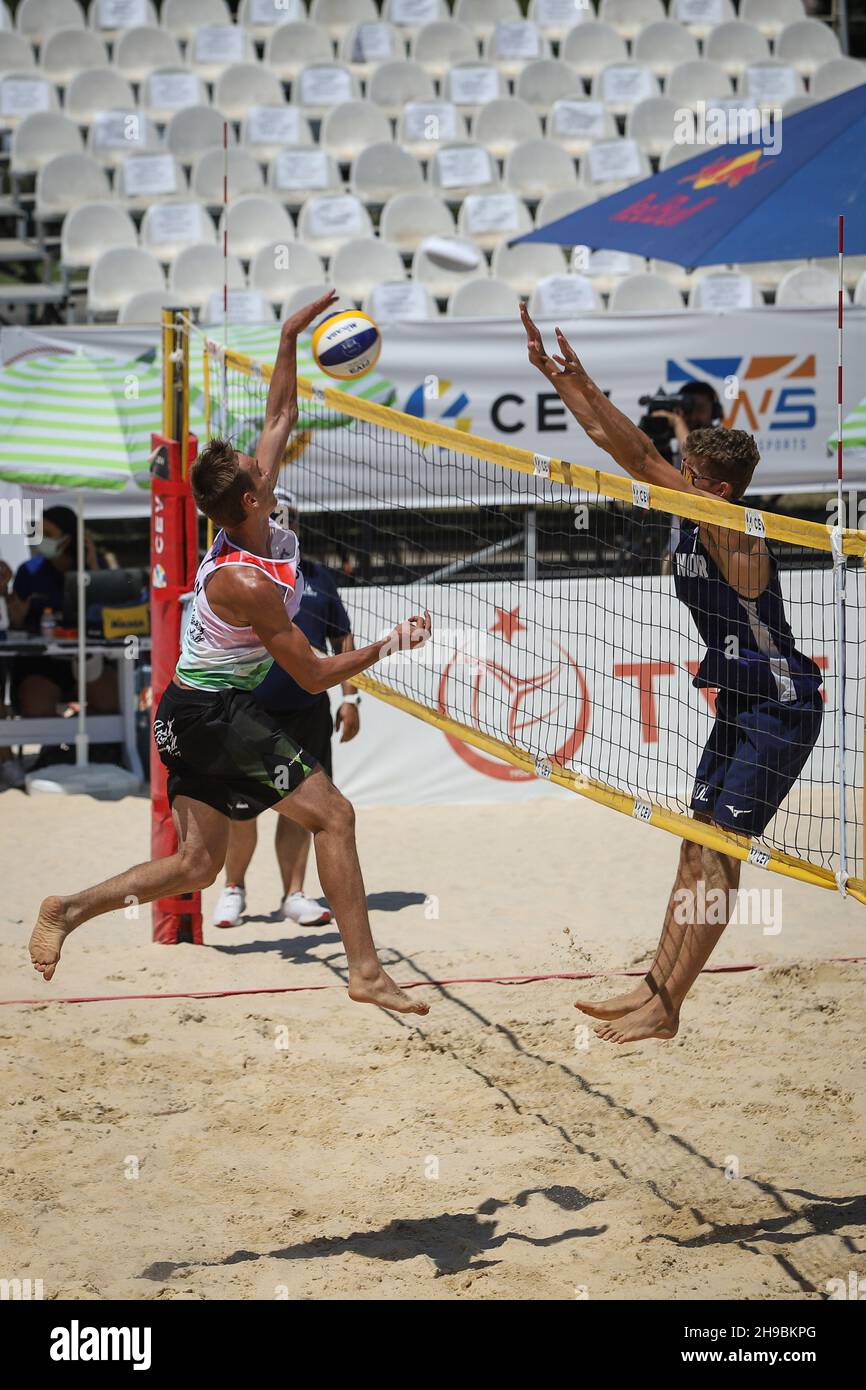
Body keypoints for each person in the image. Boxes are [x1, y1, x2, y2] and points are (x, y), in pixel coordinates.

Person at [28, 291, 432, 1018]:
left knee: (197, 865)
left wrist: (288, 334)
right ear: (250, 499)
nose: (265, 461)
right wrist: (388, 644)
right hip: (211, 714)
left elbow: (280, 415)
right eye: (258, 469)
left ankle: (67, 909)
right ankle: (365, 970)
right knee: (334, 815)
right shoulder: (245, 582)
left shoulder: (248, 513)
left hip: (194, 707)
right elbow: (310, 673)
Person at [520, 303, 823, 1044]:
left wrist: (586, 390)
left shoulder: (732, 530)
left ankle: (669, 1006)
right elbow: (619, 446)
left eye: (688, 471)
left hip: (781, 709)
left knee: (718, 852)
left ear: (713, 488)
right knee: (694, 844)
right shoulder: (699, 505)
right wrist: (572, 381)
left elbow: (637, 458)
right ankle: (656, 988)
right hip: (743, 700)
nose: (673, 473)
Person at [213, 487, 361, 929]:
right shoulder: (239, 572)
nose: (279, 521)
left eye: (286, 514)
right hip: (250, 708)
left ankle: (294, 894)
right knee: (242, 808)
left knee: (306, 807)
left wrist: (351, 698)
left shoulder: (317, 576)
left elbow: (342, 639)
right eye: (272, 514)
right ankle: (233, 889)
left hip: (307, 707)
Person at [0, 507, 118, 777]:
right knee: (35, 701)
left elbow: (112, 610)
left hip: (89, 657)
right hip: (42, 662)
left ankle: (99, 749)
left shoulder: (92, 562)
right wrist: (10, 601)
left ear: (68, 538)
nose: (41, 538)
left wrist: (93, 567)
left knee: (110, 696)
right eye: (39, 532)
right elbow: (15, 622)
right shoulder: (29, 572)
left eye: (48, 533)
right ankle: (53, 752)